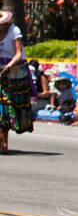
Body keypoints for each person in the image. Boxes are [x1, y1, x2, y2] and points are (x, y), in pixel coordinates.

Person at [0, 10, 34, 152]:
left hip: (14, 71)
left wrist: (8, 67)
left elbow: (18, 54)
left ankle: (3, 143)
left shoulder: (14, 31)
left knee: (6, 107)